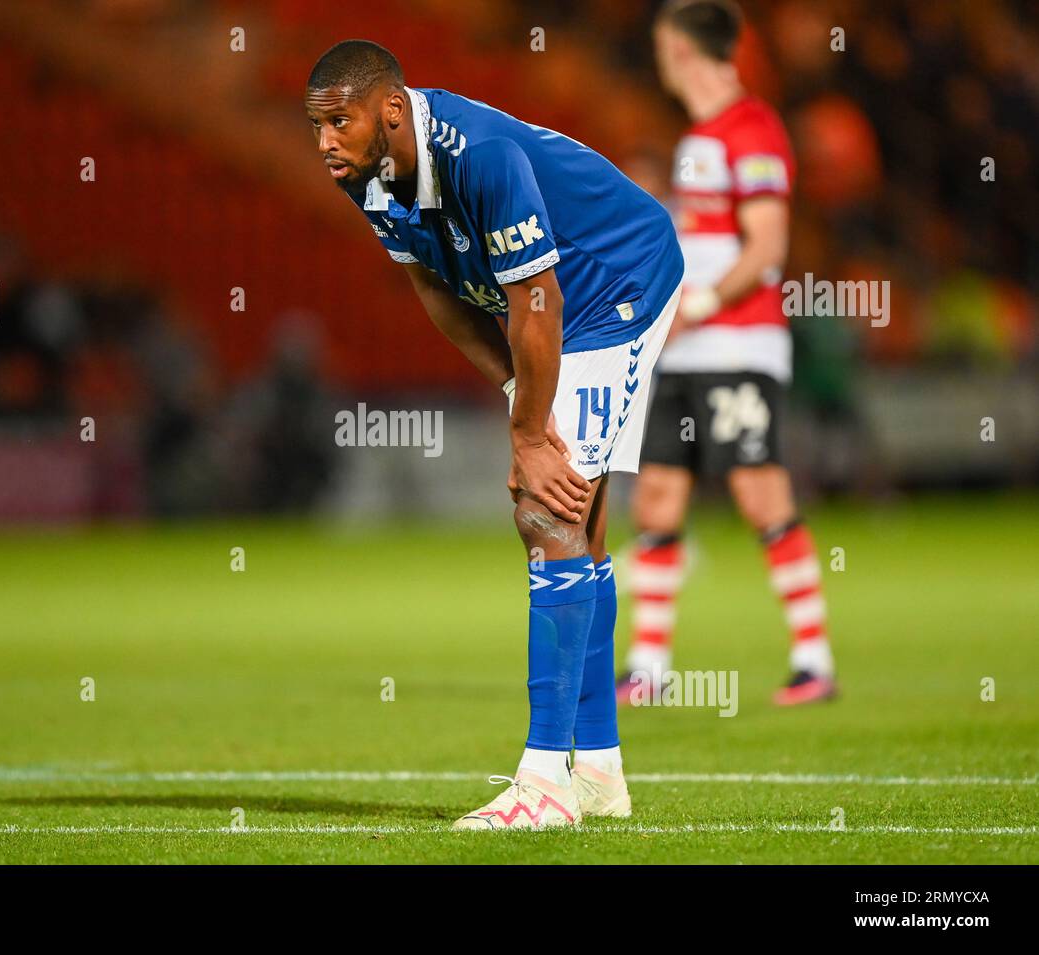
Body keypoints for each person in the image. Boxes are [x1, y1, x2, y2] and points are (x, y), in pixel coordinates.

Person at [304, 40, 684, 828]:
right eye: (318, 125)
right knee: (578, 518)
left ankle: (544, 783)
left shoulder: (484, 159)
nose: (324, 142)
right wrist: (520, 395)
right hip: (557, 310)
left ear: (393, 111)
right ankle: (600, 777)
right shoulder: (367, 174)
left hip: (614, 284)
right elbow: (438, 291)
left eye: (339, 122)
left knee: (545, 513)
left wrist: (528, 434)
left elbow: (535, 303)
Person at [618, 0, 837, 708]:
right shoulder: (696, 140)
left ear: (681, 50)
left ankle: (813, 657)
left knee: (757, 487)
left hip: (738, 342)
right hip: (684, 349)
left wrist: (703, 305)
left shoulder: (753, 127)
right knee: (656, 492)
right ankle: (649, 666)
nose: (657, 62)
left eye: (659, 47)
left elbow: (768, 246)